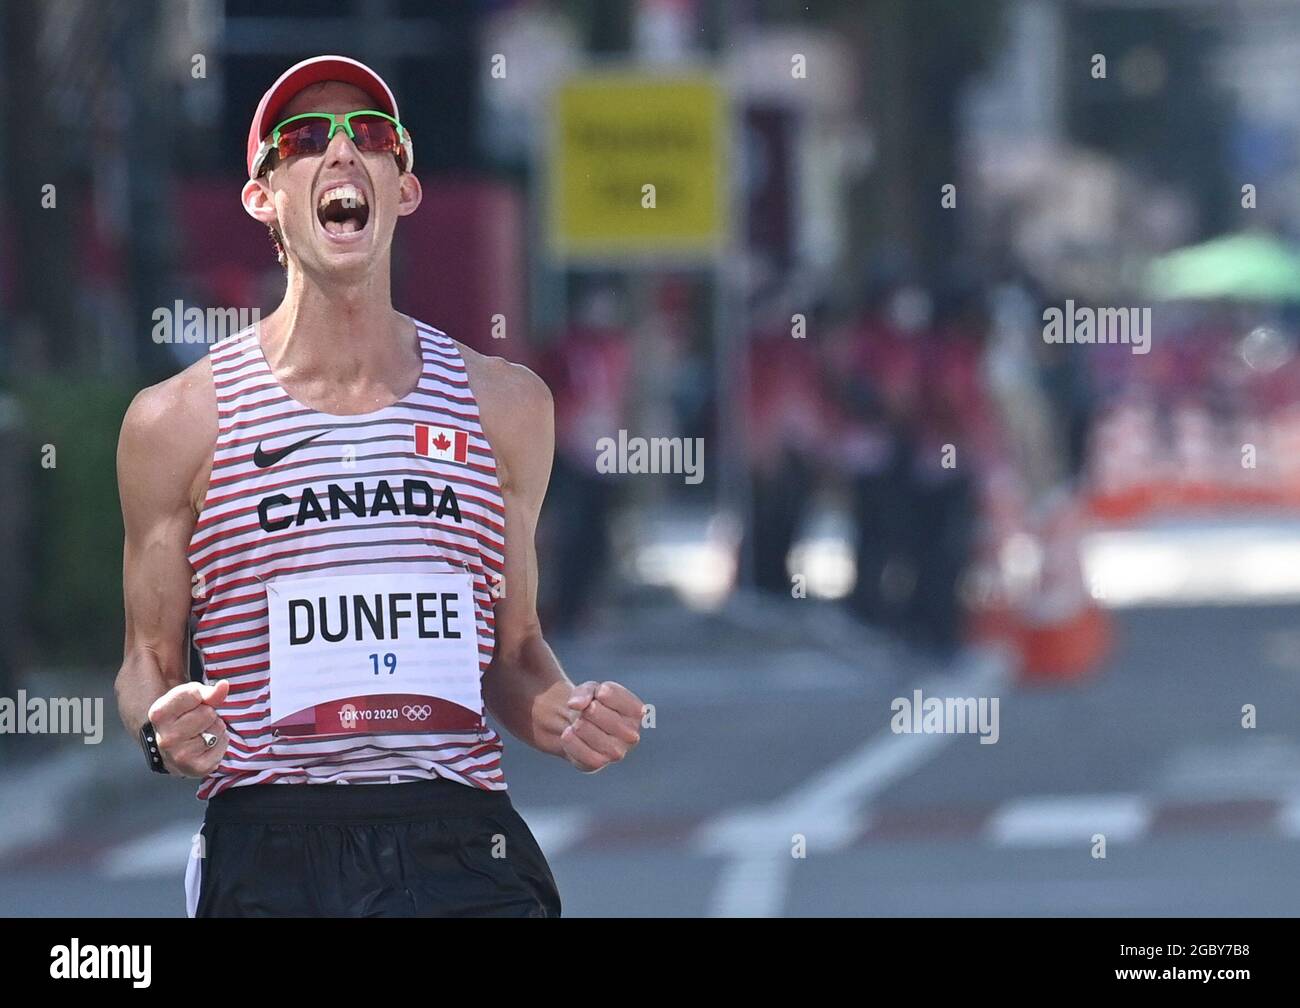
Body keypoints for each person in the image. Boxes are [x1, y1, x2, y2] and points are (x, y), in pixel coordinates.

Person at [113, 55, 644, 917]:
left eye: (369, 135)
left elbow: (513, 655)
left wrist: (560, 711)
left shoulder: (504, 405)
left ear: (404, 186)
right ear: (264, 198)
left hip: (461, 838)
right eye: (304, 139)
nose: (341, 153)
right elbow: (146, 661)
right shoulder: (178, 422)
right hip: (271, 840)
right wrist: (160, 730)